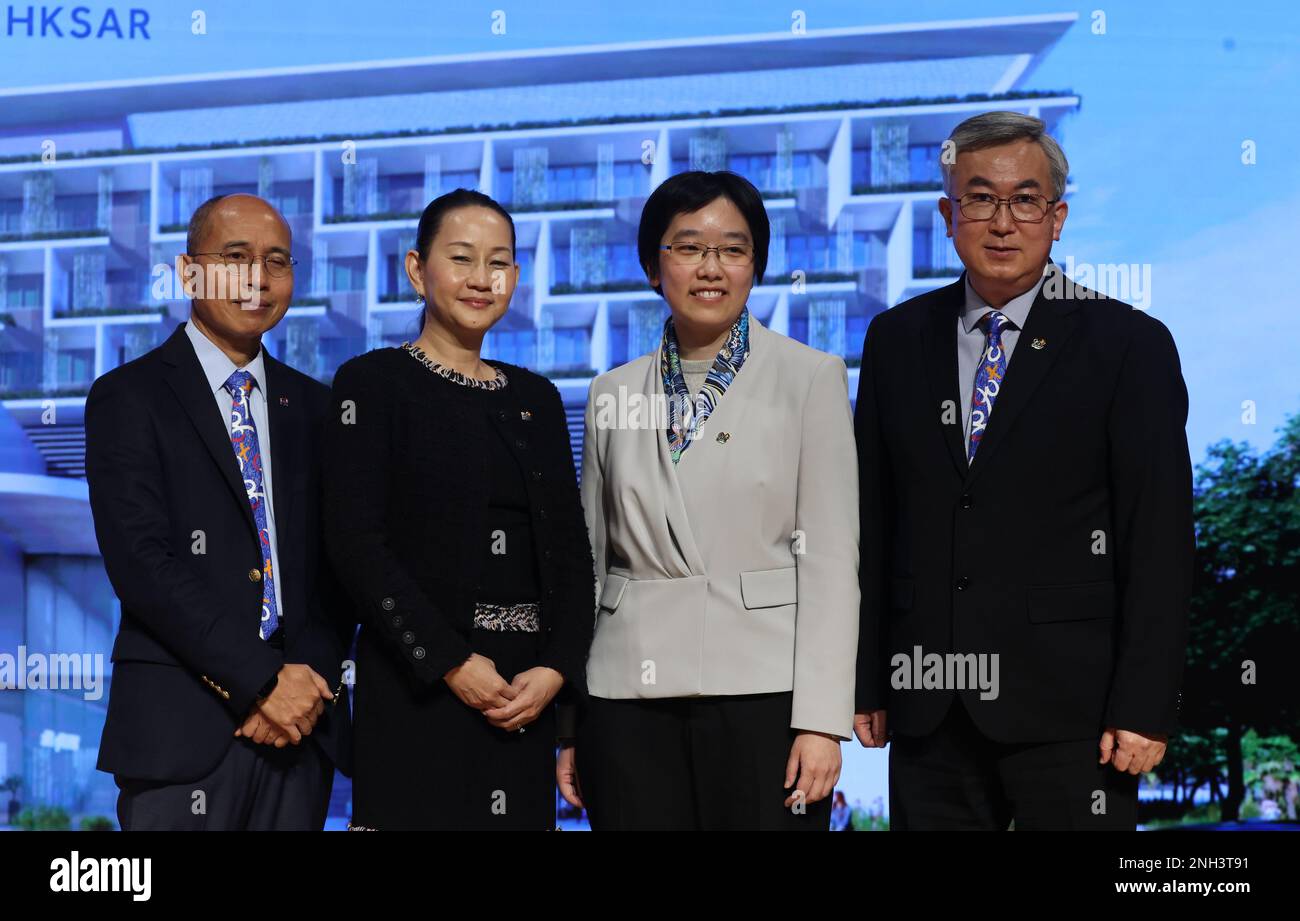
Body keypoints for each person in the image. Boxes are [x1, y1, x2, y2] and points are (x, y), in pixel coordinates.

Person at [853, 111, 1193, 830]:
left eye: (1025, 199)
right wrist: (866, 678)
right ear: (948, 215)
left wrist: (1144, 704)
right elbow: (875, 522)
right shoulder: (895, 340)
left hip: (1075, 710)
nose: (1002, 221)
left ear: (1057, 216)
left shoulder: (1129, 344)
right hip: (928, 703)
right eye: (979, 198)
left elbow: (1158, 540)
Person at [557, 170, 859, 830]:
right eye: (688, 247)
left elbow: (834, 564)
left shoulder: (810, 378)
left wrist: (821, 721)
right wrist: (572, 723)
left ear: (757, 265)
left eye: (733, 248)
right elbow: (589, 563)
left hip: (764, 692)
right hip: (625, 695)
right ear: (651, 265)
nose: (710, 267)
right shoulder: (611, 392)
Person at [323, 188, 595, 830]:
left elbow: (572, 557)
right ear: (417, 269)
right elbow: (355, 544)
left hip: (523, 697)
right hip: (417, 687)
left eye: (498, 262)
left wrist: (557, 671)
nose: (481, 279)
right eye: (462, 258)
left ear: (517, 277)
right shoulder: (372, 384)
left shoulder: (539, 398)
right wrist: (448, 660)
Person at [86, 193, 353, 830]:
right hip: (182, 733)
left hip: (300, 734)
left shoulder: (317, 410)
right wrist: (262, 683)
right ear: (189, 272)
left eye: (277, 261)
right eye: (236, 258)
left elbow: (341, 567)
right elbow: (143, 564)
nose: (258, 278)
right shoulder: (128, 397)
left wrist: (304, 682)